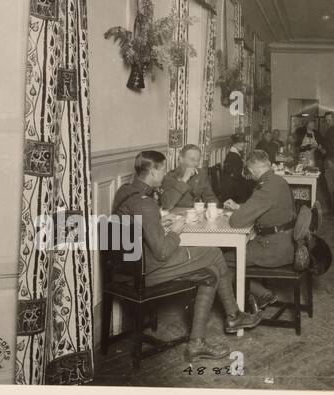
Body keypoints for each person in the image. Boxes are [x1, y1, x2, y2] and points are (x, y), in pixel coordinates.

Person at [111, 151, 262, 361]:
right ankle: (231, 318)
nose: (164, 174)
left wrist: (157, 224)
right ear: (153, 171)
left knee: (210, 272)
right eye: (162, 169)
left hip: (126, 266)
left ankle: (205, 337)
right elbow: (162, 252)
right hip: (145, 271)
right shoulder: (146, 203)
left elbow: (135, 227)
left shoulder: (124, 191)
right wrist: (176, 230)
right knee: (214, 253)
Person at [224, 150, 297, 310]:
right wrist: (241, 207)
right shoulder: (278, 180)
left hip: (274, 249)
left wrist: (238, 212)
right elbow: (268, 209)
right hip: (286, 241)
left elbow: (236, 221)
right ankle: (257, 295)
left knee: (222, 261)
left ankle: (258, 295)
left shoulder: (265, 188)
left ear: (251, 170)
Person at [161, 144, 219, 209]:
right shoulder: (170, 177)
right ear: (181, 159)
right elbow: (167, 204)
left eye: (198, 160)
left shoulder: (201, 174)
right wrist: (184, 179)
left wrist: (212, 208)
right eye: (192, 159)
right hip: (176, 215)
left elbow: (210, 197)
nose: (195, 163)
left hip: (195, 214)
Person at [221, 135, 254, 204]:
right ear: (234, 144)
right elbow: (237, 175)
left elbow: (238, 171)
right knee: (252, 185)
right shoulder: (233, 156)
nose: (243, 145)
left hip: (233, 184)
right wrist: (247, 175)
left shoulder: (234, 153)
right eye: (239, 143)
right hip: (232, 189)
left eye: (243, 142)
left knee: (251, 182)